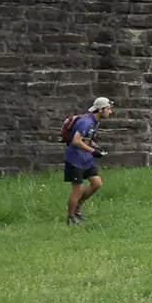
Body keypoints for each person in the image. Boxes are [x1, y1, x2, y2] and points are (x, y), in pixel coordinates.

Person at [64, 96, 114, 225]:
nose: (111, 112)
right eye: (109, 109)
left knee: (97, 183)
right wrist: (93, 151)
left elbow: (87, 138)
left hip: (86, 159)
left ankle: (77, 208)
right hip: (75, 159)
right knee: (78, 189)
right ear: (100, 109)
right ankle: (71, 217)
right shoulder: (85, 122)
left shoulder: (95, 121)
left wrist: (96, 147)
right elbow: (76, 141)